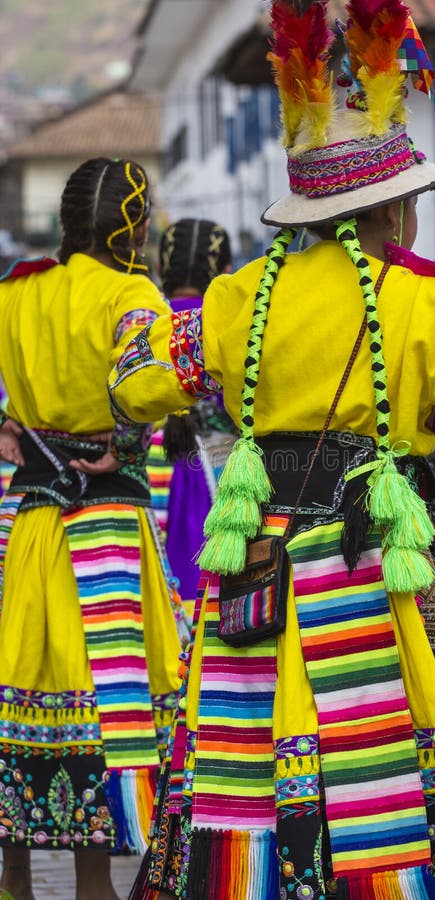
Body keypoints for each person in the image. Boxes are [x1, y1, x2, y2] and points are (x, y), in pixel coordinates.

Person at [110, 3, 435, 898]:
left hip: (253, 578)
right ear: (398, 207)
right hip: (368, 571)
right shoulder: (428, 305)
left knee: (242, 768)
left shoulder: (234, 299)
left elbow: (135, 379)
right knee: (378, 784)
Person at [0, 157, 187, 900]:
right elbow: (153, 380)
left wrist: (10, 423)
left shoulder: (19, 289)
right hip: (104, 520)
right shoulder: (133, 293)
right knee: (103, 691)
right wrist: (131, 439)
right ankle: (91, 884)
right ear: (137, 226)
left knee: (25, 678)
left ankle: (12, 876)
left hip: (37, 516)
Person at [147, 219, 237, 614]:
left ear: (161, 270)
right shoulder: (231, 323)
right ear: (224, 272)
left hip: (151, 471)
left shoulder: (148, 323)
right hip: (221, 475)